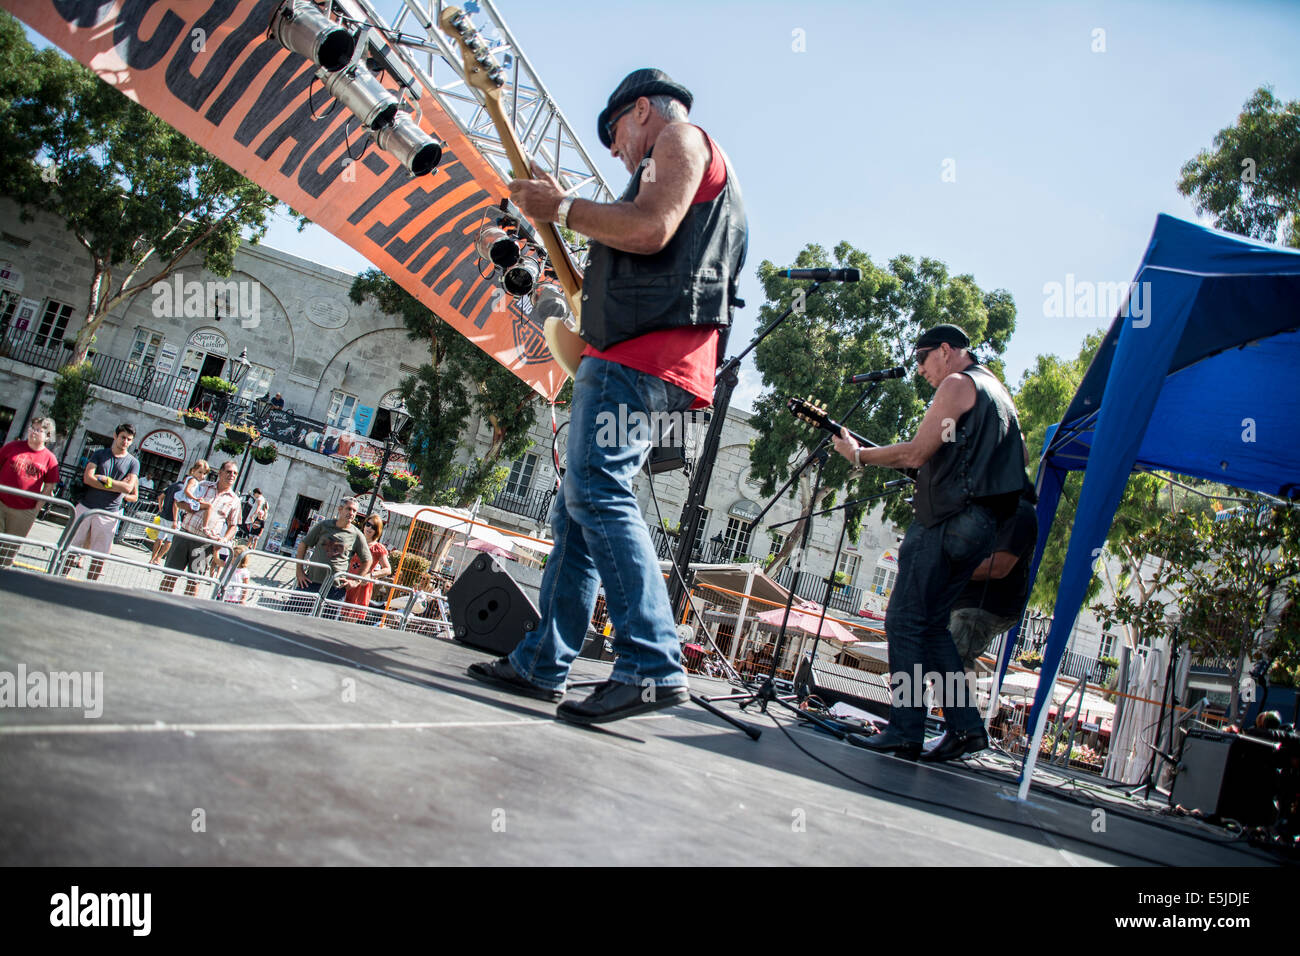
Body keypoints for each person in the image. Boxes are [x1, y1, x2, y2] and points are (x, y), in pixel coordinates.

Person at [468, 68, 748, 724]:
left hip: (641, 357)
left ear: (642, 110)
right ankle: (544, 662)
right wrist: (561, 216)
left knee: (595, 489)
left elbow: (650, 229)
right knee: (576, 508)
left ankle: (651, 663)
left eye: (615, 132)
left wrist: (560, 209)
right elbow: (644, 242)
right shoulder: (681, 158)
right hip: (643, 354)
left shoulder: (679, 138)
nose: (616, 150)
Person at [833, 324, 1029, 762]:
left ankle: (905, 728)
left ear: (946, 350)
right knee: (931, 625)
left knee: (903, 621)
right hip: (981, 527)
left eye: (922, 358)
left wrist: (858, 455)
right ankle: (967, 728)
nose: (920, 369)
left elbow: (916, 453)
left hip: (946, 521)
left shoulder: (960, 384)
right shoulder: (999, 394)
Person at [949, 489, 1039, 674]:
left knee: (953, 664)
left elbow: (999, 566)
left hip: (982, 607)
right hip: (964, 603)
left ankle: (956, 702)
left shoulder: (1018, 511)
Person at [63, 424, 139, 581]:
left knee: (100, 554)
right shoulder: (99, 454)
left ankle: (91, 585)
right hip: (86, 506)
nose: (125, 442)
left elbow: (129, 487)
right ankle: (60, 577)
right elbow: (88, 478)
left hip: (110, 511)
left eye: (129, 439)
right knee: (72, 545)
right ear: (115, 436)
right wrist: (117, 486)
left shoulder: (133, 462)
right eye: (123, 437)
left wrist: (107, 481)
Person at [160, 460, 242, 596]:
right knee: (171, 575)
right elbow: (179, 503)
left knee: (195, 581)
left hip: (204, 543)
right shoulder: (203, 485)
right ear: (220, 472)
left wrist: (224, 540)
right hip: (185, 535)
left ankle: (186, 612)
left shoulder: (234, 500)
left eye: (235, 473)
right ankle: (159, 603)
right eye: (228, 472)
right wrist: (191, 508)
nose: (231, 475)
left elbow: (233, 526)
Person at [0, 417, 60, 567]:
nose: (33, 432)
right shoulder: (12, 446)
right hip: (1, 502)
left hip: (25, 510)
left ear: (47, 436)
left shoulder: (50, 459)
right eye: (32, 428)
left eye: (39, 430)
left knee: (8, 551)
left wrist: (36, 509)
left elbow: (49, 486)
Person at [295, 497, 371, 608]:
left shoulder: (357, 534)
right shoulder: (324, 526)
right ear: (340, 509)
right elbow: (303, 544)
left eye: (354, 511)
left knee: (325, 623)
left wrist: (356, 581)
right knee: (293, 618)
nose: (351, 513)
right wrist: (299, 571)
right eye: (349, 509)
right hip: (310, 582)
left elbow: (367, 560)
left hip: (335, 588)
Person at [341, 514, 392, 622]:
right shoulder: (354, 540)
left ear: (377, 531)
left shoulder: (378, 548)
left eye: (373, 527)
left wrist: (371, 575)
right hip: (344, 581)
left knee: (349, 620)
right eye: (368, 524)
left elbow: (388, 569)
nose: (369, 528)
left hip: (361, 586)